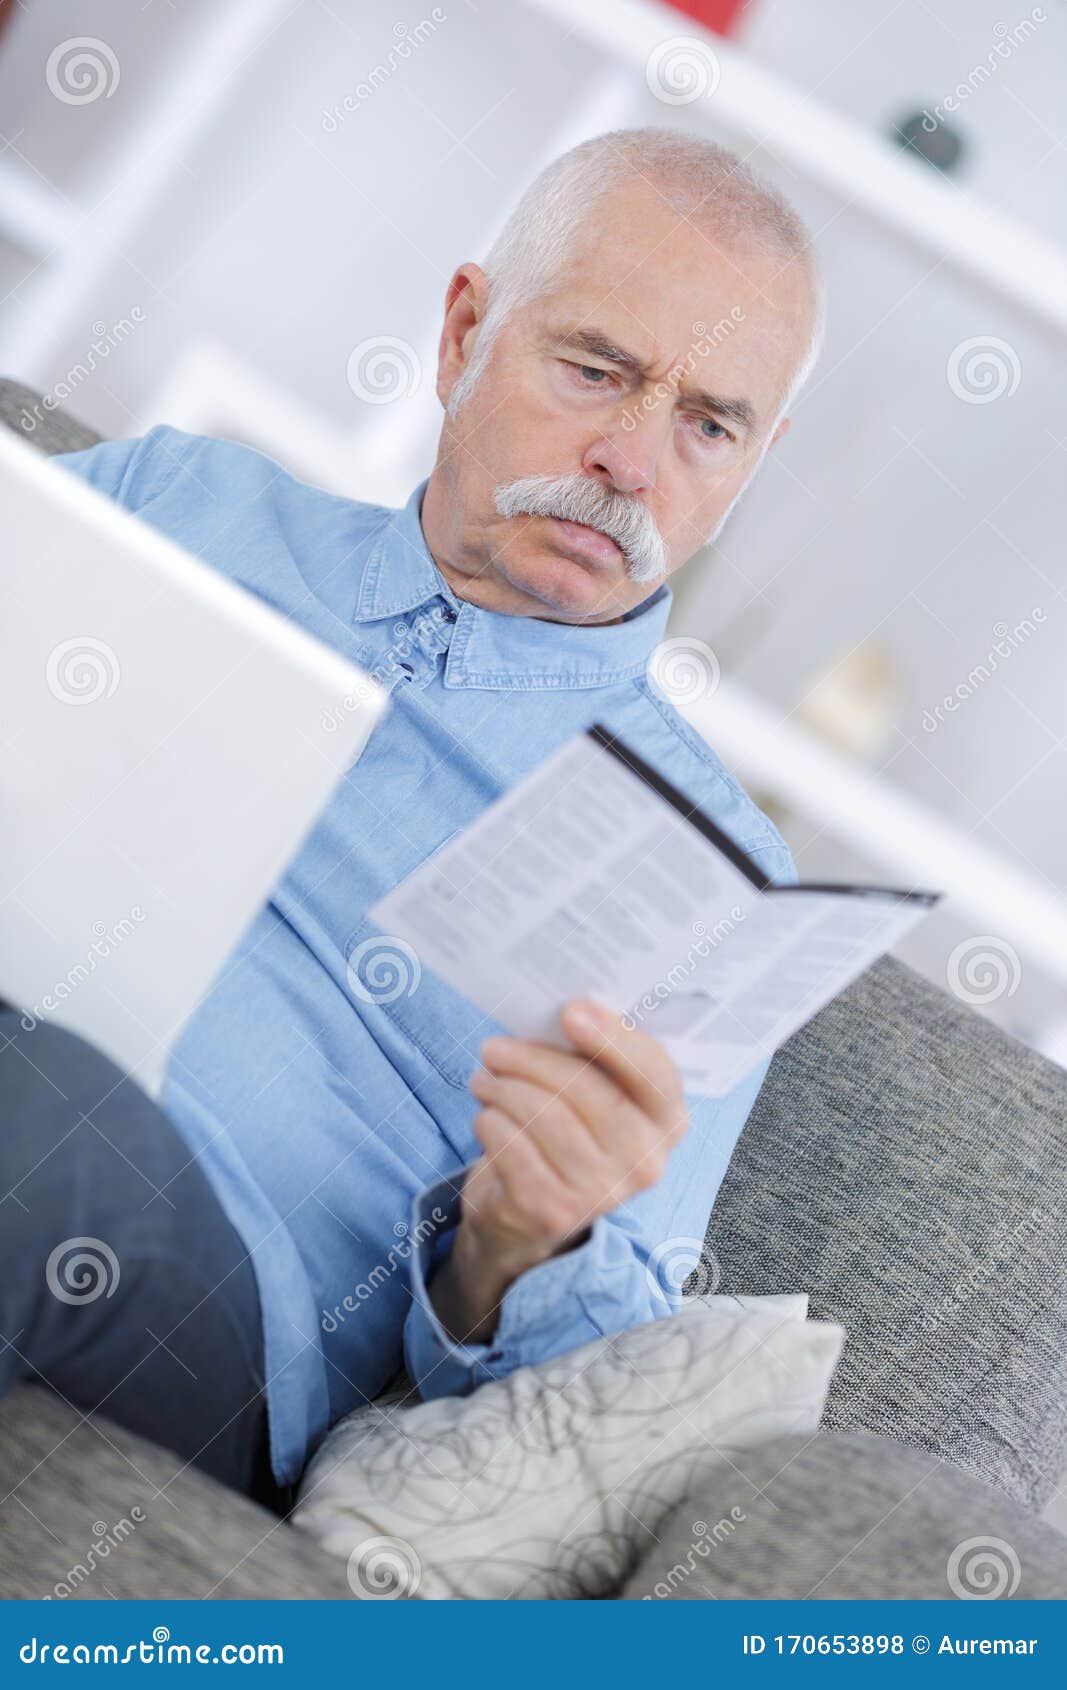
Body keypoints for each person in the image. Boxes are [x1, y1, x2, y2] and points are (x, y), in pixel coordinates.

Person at [0, 128, 822, 1511]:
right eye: (596, 369)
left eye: (708, 423)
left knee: (42, 1118)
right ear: (462, 335)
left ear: (751, 461)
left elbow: (585, 1377)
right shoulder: (182, 501)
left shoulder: (708, 863)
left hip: (201, 1282)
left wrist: (521, 1241)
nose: (633, 459)